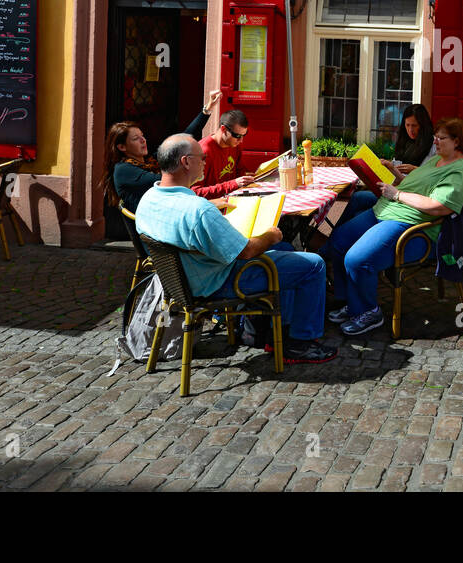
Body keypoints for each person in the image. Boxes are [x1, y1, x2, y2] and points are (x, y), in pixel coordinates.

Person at [135, 133, 337, 364]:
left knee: (285, 250)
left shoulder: (148, 199)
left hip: (178, 283)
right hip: (216, 283)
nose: (205, 162)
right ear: (186, 162)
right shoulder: (198, 210)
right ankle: (300, 343)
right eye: (202, 158)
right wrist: (270, 235)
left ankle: (274, 331)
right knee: (313, 264)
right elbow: (246, 251)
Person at [321, 117, 463, 337]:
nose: (435, 142)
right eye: (435, 137)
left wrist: (397, 195)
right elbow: (413, 185)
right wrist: (393, 172)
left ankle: (369, 312)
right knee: (339, 241)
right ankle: (351, 301)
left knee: (357, 259)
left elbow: (439, 206)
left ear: (457, 141)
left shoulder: (459, 173)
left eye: (441, 138)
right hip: (386, 211)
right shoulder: (438, 160)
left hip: (411, 227)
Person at [103, 89, 223, 213]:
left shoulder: (148, 161)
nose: (143, 140)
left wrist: (207, 109)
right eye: (135, 139)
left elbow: (183, 139)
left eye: (142, 136)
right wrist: (194, 171)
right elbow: (167, 180)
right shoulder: (123, 170)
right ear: (122, 147)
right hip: (152, 222)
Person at [335, 104, 438, 231]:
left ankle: (334, 235)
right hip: (394, 187)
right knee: (358, 205)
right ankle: (338, 234)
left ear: (423, 125)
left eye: (414, 126)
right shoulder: (405, 141)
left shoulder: (433, 145)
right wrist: (386, 167)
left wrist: (415, 169)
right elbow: (398, 168)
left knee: (358, 199)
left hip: (406, 196)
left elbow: (433, 176)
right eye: (407, 125)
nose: (410, 130)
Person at [192, 109, 255, 199]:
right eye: (237, 136)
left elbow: (239, 171)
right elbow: (194, 193)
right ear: (223, 129)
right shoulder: (203, 152)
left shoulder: (234, 144)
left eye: (243, 135)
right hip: (210, 204)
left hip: (229, 199)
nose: (241, 140)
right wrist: (233, 184)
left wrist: (247, 176)